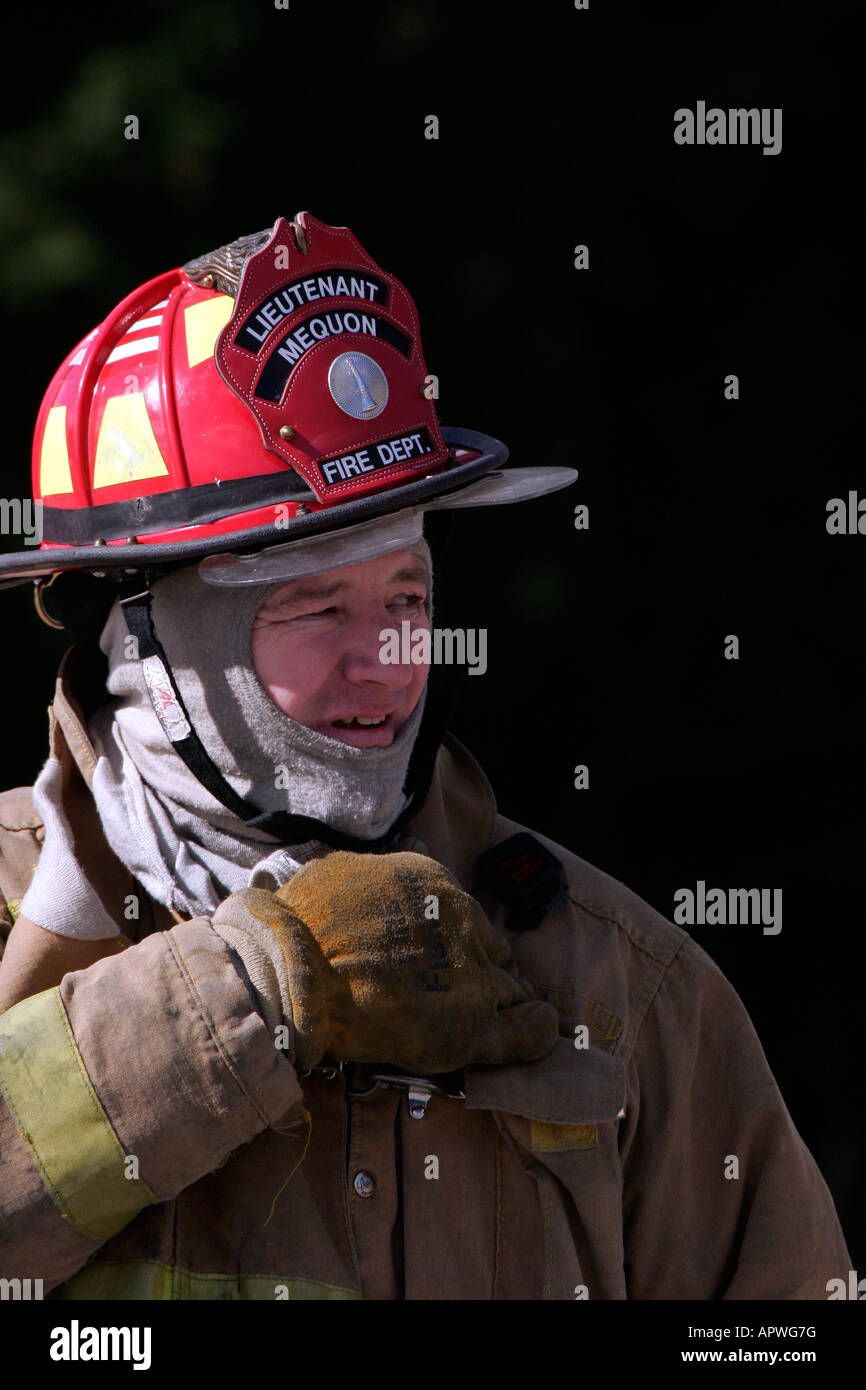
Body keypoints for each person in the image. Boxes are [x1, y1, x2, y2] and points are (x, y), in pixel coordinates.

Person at [0, 212, 851, 1300]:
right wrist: (249, 987)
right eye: (312, 609)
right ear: (150, 649)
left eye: (407, 597)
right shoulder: (11, 901)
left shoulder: (615, 977)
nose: (388, 662)